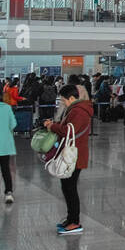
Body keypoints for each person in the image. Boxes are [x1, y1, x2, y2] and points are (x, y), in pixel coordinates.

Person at [43, 85, 93, 235]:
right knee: (67, 187)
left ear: (71, 98)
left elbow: (68, 131)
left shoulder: (78, 111)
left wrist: (52, 127)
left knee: (70, 188)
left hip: (74, 155)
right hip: (73, 153)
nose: (63, 103)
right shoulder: (77, 109)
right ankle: (71, 218)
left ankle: (75, 222)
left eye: (64, 100)